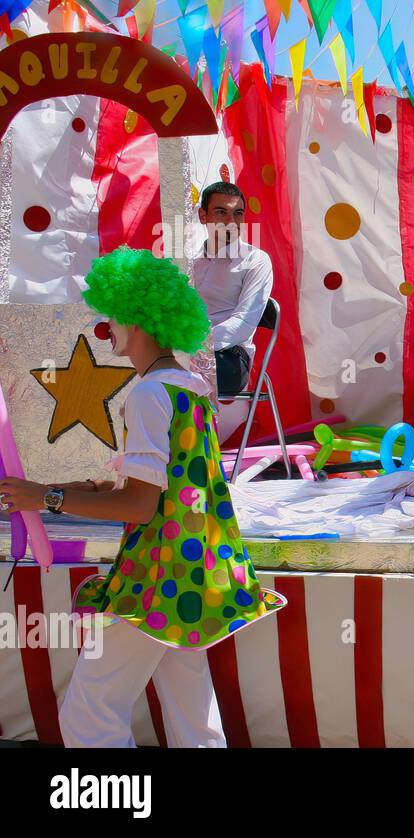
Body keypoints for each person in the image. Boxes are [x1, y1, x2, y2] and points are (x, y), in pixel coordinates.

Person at [0, 248, 284, 747]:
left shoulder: (150, 395)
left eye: (110, 323)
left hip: (159, 578)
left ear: (137, 320)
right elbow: (177, 487)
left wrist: (47, 497)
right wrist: (90, 490)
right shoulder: (192, 389)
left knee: (89, 714)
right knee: (194, 717)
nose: (107, 332)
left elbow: (140, 507)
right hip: (198, 571)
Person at [191, 181, 274, 401]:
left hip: (231, 356)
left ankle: (197, 433)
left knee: (172, 373)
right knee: (154, 366)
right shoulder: (192, 262)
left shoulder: (256, 260)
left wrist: (192, 345)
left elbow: (244, 323)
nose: (231, 222)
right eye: (221, 212)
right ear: (203, 216)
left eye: (238, 213)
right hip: (190, 350)